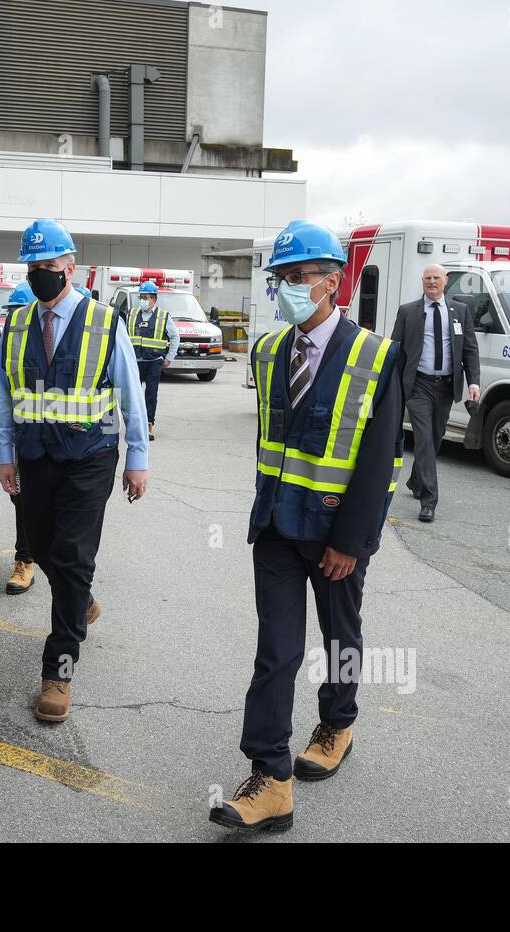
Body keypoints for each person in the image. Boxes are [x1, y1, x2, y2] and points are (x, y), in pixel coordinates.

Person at [210, 220, 404, 833]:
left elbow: (380, 461)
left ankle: (338, 723)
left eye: (299, 278)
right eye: (281, 280)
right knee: (276, 653)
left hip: (334, 537)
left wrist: (351, 541)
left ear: (332, 281)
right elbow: (275, 444)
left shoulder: (377, 355)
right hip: (275, 529)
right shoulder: (268, 353)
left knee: (339, 636)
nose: (289, 289)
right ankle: (271, 778)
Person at [0, 217, 150, 723]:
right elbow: (3, 395)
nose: (41, 274)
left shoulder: (105, 321)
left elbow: (130, 393)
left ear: (70, 266)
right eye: (34, 267)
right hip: (36, 457)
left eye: (50, 266)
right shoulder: (17, 323)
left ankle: (57, 672)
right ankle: (80, 602)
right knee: (39, 548)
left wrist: (137, 459)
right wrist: (5, 453)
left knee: (75, 556)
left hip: (89, 458)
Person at [390, 264, 480, 523]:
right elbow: (396, 349)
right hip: (418, 385)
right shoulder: (408, 311)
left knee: (436, 436)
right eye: (427, 278)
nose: (432, 282)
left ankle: (417, 480)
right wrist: (391, 384)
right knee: (424, 438)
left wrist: (474, 382)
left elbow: (470, 349)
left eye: (436, 278)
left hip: (446, 386)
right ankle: (428, 501)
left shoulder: (460, 311)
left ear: (445, 281)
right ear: (422, 281)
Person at [0, 281, 36, 595]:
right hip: (10, 433)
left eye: (20, 311)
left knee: (30, 502)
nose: (14, 318)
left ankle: (26, 560)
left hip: (40, 436)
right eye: (11, 312)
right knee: (19, 498)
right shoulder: (8, 339)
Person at [126, 279, 180, 440]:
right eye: (141, 297)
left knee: (151, 394)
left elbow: (175, 336)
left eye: (146, 297)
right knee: (133, 395)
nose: (142, 300)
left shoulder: (163, 316)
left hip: (154, 362)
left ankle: (149, 424)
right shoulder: (132, 313)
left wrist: (170, 357)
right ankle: (134, 424)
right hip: (136, 361)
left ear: (154, 299)